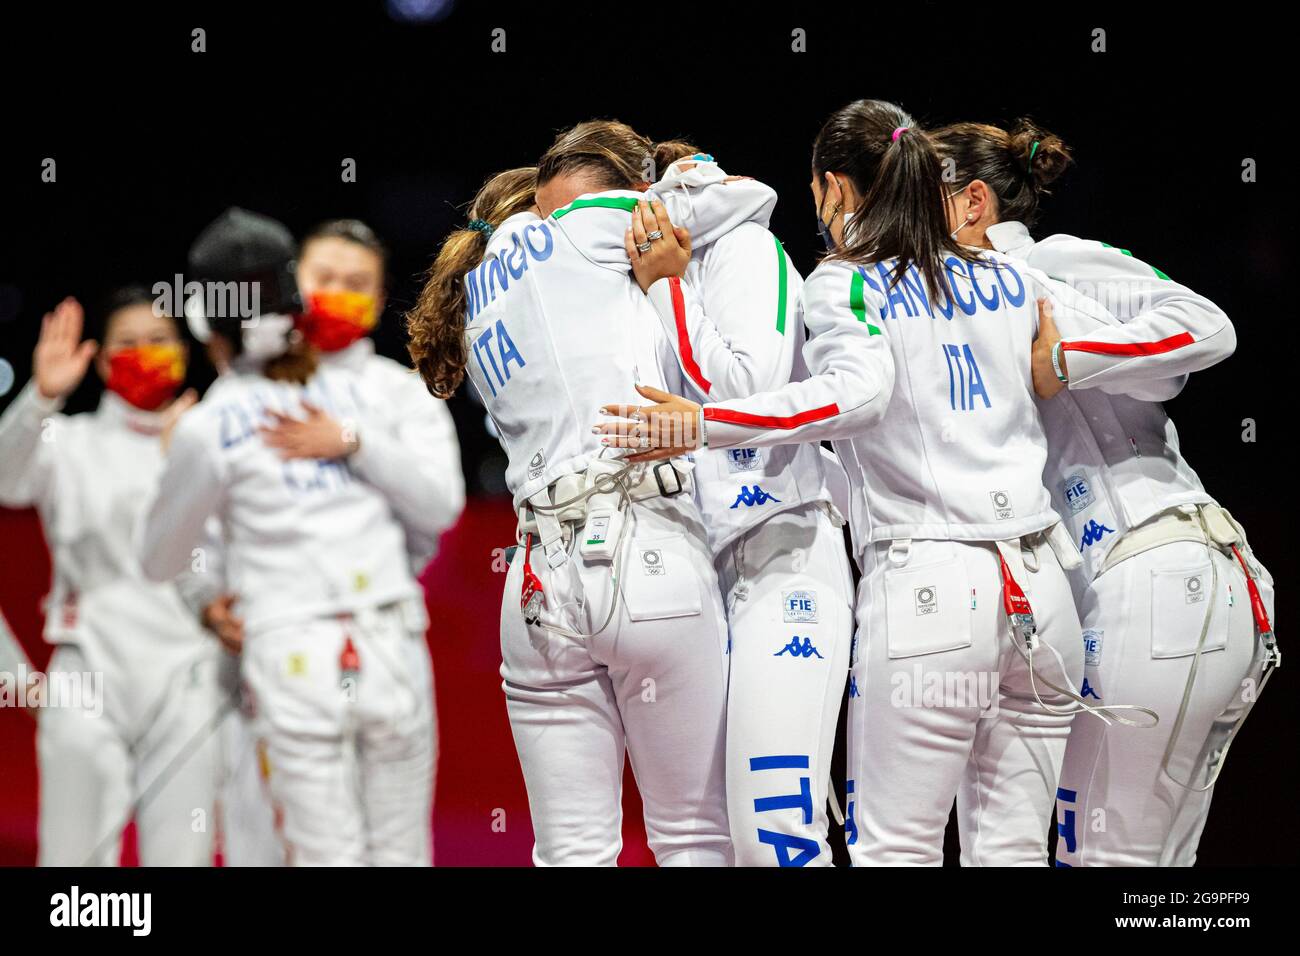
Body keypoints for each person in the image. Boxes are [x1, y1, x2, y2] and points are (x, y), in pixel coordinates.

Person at [598, 100, 1124, 866]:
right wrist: (1064, 362)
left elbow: (856, 396)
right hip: (1045, 596)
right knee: (1011, 850)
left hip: (932, 592)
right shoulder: (1015, 274)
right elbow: (1198, 332)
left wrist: (705, 423)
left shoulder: (848, 281)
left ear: (834, 189)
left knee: (895, 851)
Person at [407, 136, 774, 865]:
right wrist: (679, 170)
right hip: (644, 545)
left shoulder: (477, 295)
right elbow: (748, 199)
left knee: (569, 850)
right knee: (692, 835)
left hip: (536, 580)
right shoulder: (580, 226)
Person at [931, 120, 1275, 866]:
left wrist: (1063, 357)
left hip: (1158, 573)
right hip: (1161, 589)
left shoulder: (1049, 262)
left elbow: (1203, 328)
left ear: (972, 203)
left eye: (914, 197)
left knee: (1101, 857)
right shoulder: (948, 309)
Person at [138, 208, 439, 866]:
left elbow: (158, 559)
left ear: (201, 319)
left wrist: (174, 463)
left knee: (325, 857)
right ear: (295, 298)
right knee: (402, 856)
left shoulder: (206, 424)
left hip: (291, 654)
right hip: (390, 641)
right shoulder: (362, 391)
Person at [628, 140, 855, 866]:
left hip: (782, 552)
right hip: (699, 572)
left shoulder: (746, 249)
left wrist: (668, 287)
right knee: (702, 841)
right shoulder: (641, 280)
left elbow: (747, 390)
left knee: (774, 836)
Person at [0, 288, 219, 866]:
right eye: (127, 344)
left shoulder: (216, 441)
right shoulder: (67, 441)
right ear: (100, 361)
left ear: (183, 351)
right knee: (73, 866)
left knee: (183, 855)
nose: (143, 355)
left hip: (189, 676)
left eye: (158, 342)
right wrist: (41, 397)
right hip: (87, 673)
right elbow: (5, 480)